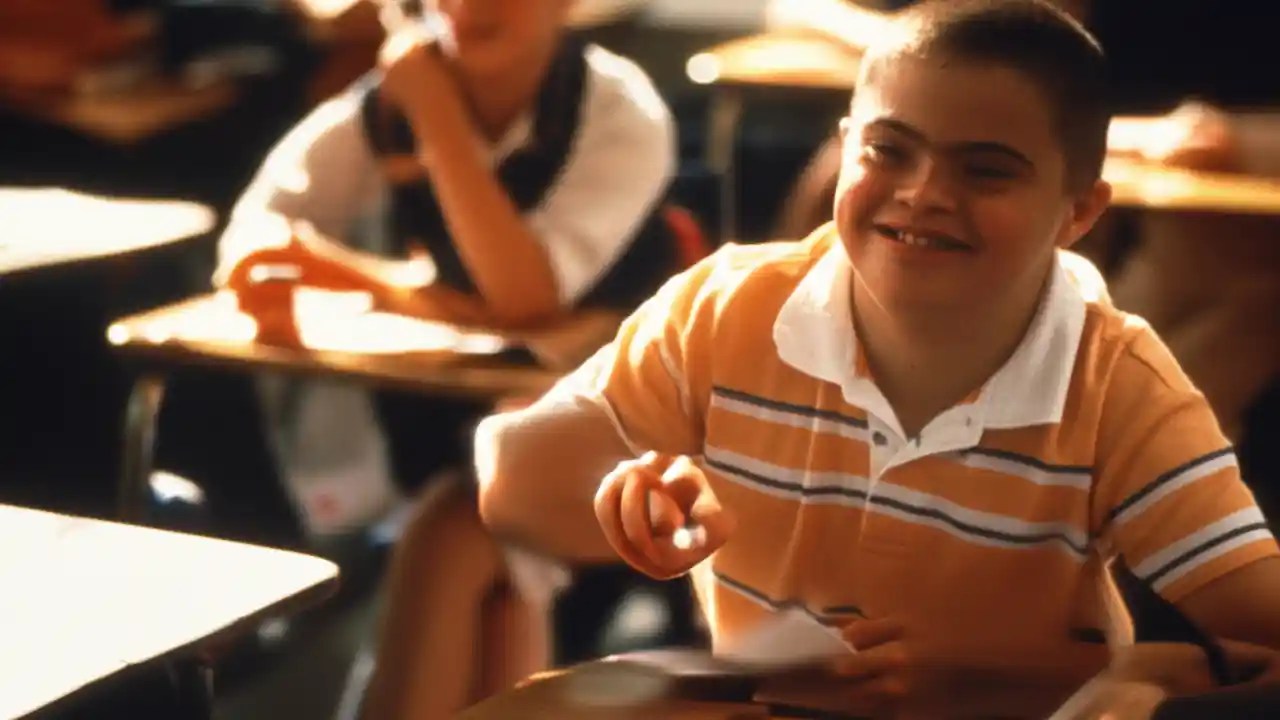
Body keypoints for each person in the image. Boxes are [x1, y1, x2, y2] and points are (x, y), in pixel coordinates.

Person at [476, 1, 1280, 716]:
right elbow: (510, 485)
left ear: (1078, 211)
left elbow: (1259, 635)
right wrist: (628, 494)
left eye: (987, 169)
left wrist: (1147, 674)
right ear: (843, 148)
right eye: (889, 151)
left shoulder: (1117, 384)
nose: (924, 191)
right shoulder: (729, 306)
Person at [194, 0, 680, 717]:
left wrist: (435, 116)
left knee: (453, 536)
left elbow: (522, 295)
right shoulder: (386, 106)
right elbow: (258, 228)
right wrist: (275, 272)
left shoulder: (619, 111)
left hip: (638, 462)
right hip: (472, 446)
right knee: (489, 575)